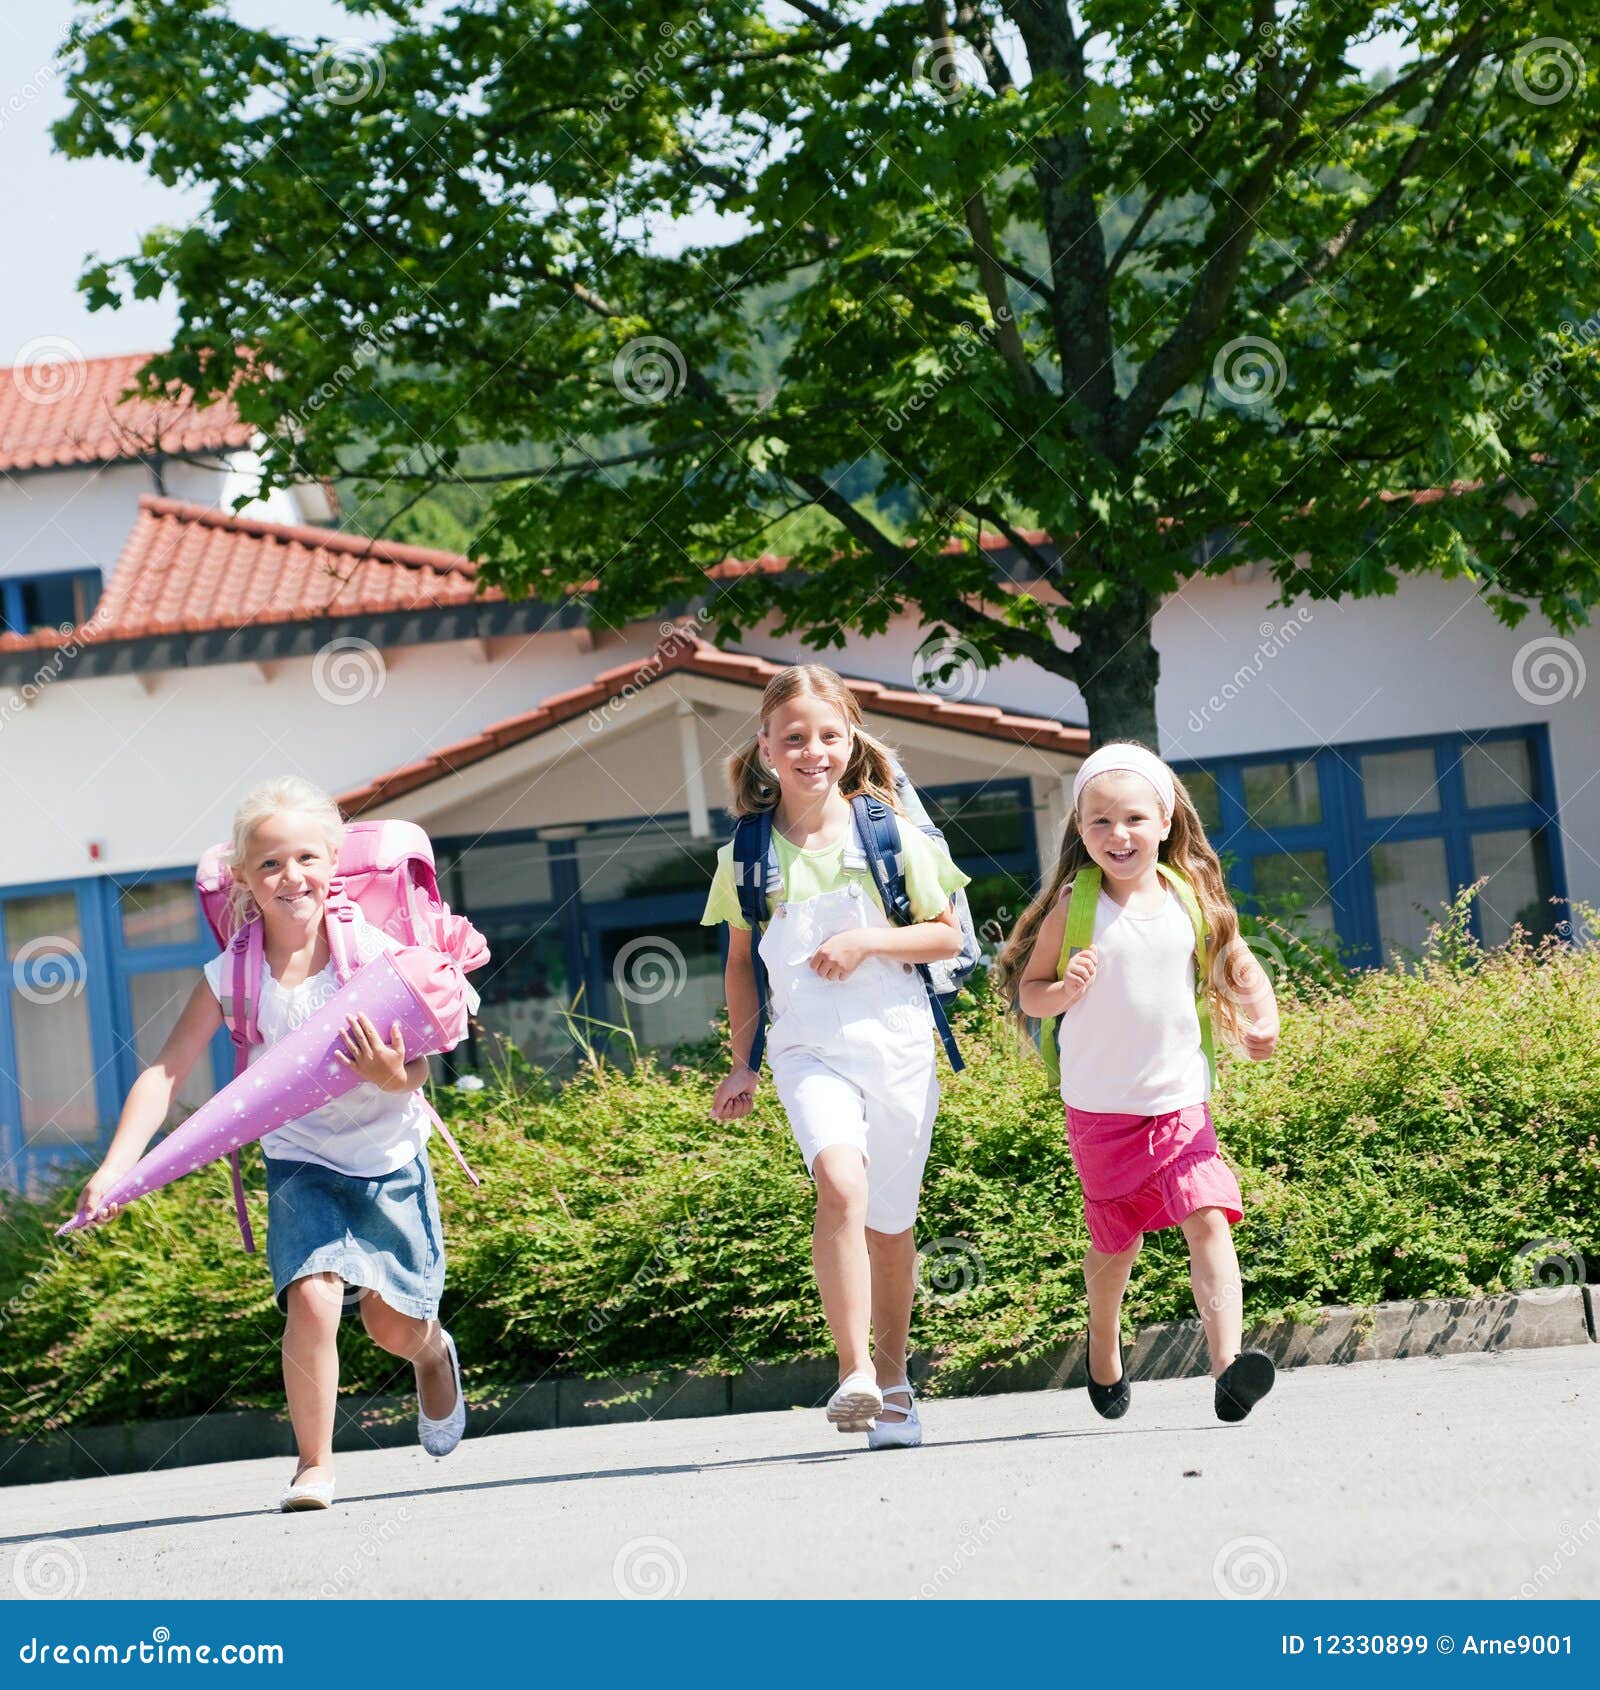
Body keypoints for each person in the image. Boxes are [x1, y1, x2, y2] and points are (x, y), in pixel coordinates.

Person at [74, 775, 465, 1509]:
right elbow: (164, 1071)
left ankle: (431, 1349)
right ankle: (313, 1465)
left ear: (334, 862)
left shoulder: (372, 952)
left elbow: (416, 1065)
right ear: (246, 882)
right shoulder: (232, 976)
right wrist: (113, 1170)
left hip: (387, 1159)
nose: (293, 877)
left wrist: (389, 1075)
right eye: (271, 865)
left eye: (307, 859)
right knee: (312, 1300)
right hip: (299, 1163)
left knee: (388, 1324)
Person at [703, 665, 970, 1448]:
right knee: (841, 1186)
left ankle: (894, 1385)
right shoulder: (746, 855)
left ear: (850, 740)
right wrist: (745, 1060)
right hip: (805, 1048)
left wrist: (864, 942)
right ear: (765, 747)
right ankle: (853, 1372)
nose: (811, 750)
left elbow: (947, 934)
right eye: (794, 738)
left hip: (896, 1046)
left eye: (827, 734)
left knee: (891, 1228)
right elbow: (738, 964)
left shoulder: (888, 833)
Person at [994, 741, 1282, 1422]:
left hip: (1179, 1100)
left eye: (1132, 819)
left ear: (1164, 822)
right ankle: (1103, 1345)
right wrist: (1063, 988)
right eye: (1099, 822)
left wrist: (1262, 1020)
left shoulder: (1193, 900)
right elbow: (1029, 993)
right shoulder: (1076, 905)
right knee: (1115, 1245)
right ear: (1081, 832)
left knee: (1209, 1219)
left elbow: (1242, 970)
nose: (1117, 835)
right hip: (1100, 1110)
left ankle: (1228, 1368)